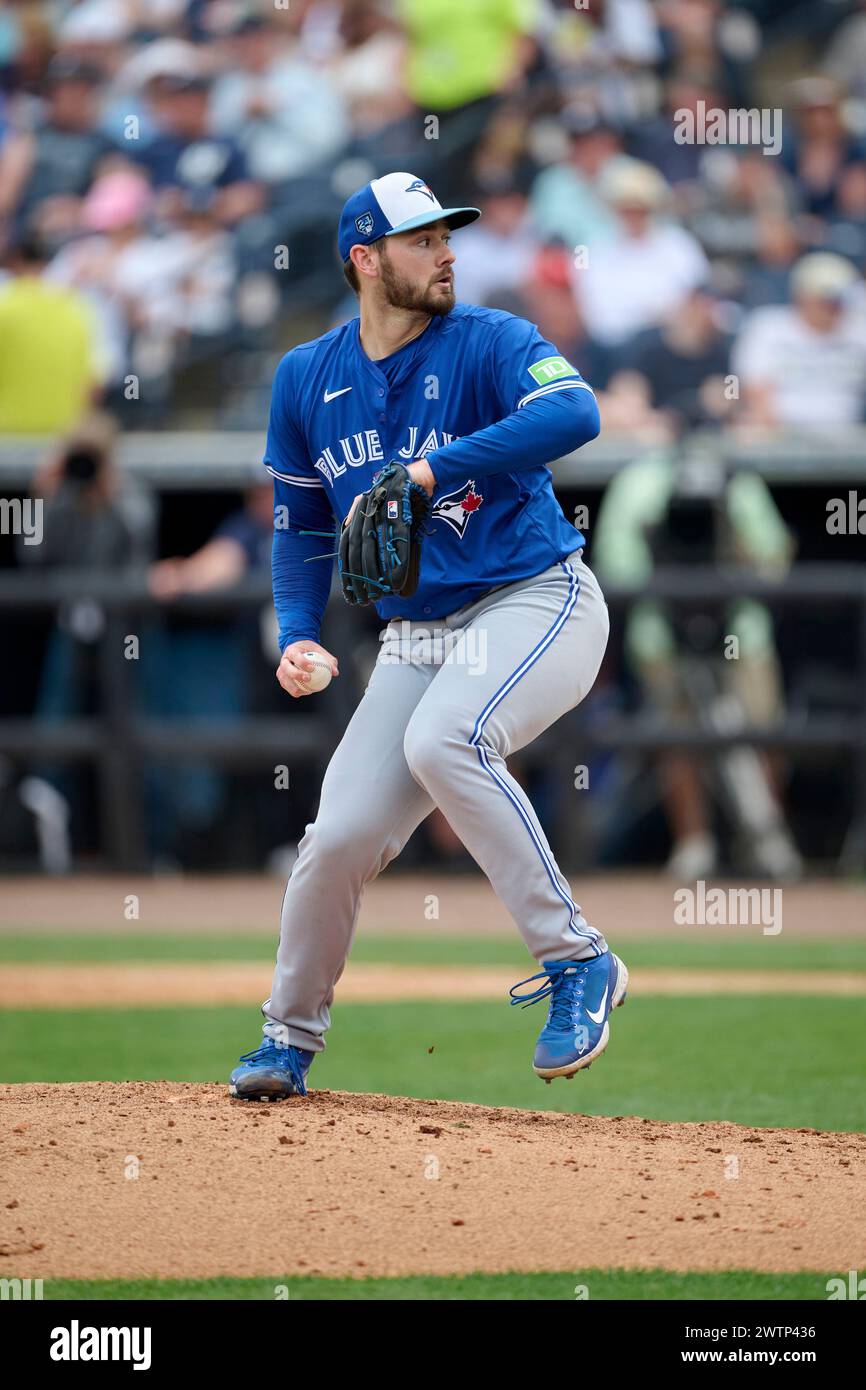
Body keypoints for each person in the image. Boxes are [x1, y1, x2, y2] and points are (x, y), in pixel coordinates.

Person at [229, 171, 628, 1102]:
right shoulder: (306, 376)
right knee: (338, 838)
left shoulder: (489, 340)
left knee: (447, 740)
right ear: (365, 260)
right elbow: (301, 524)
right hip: (416, 634)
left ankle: (578, 962)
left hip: (536, 598)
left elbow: (576, 413)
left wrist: (427, 471)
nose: (446, 252)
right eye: (422, 240)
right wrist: (297, 632)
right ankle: (286, 1040)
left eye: (447, 236)